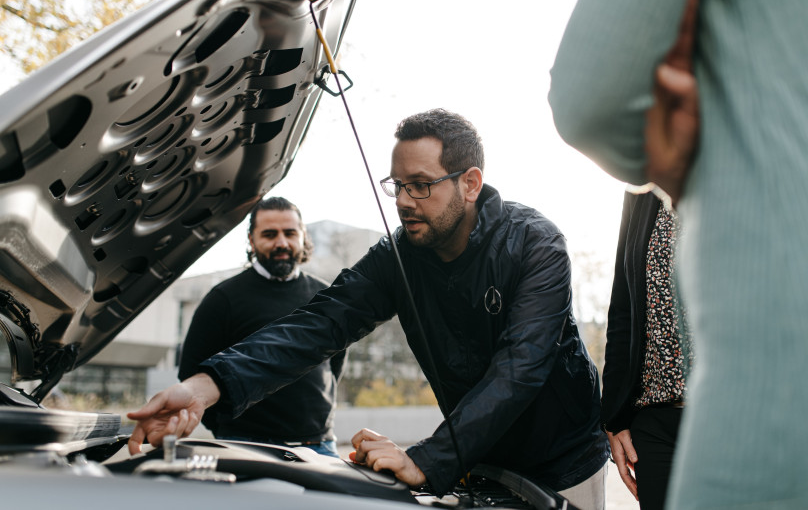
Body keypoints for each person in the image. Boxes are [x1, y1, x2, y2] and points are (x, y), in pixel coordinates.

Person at [128, 109, 610, 509]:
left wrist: (429, 458)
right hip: (473, 458)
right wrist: (205, 386)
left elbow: (520, 367)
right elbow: (319, 324)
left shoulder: (535, 243)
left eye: (420, 185)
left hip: (562, 459)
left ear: (470, 183)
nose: (403, 202)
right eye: (396, 185)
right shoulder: (397, 256)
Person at [549, 0, 808, 509]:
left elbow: (589, 101)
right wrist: (618, 417)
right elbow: (627, 306)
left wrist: (684, 161)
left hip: (763, 381)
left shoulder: (715, 159)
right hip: (659, 418)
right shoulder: (641, 200)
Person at [178, 197, 343, 457]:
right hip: (245, 445)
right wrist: (225, 429)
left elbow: (335, 365)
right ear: (252, 241)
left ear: (303, 236)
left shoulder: (326, 295)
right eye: (269, 234)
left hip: (320, 446)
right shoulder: (222, 299)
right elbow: (190, 371)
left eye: (290, 233)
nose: (281, 243)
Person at [603, 190, 691, 510]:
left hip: (737, 418)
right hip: (655, 428)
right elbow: (623, 306)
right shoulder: (642, 188)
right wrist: (615, 418)